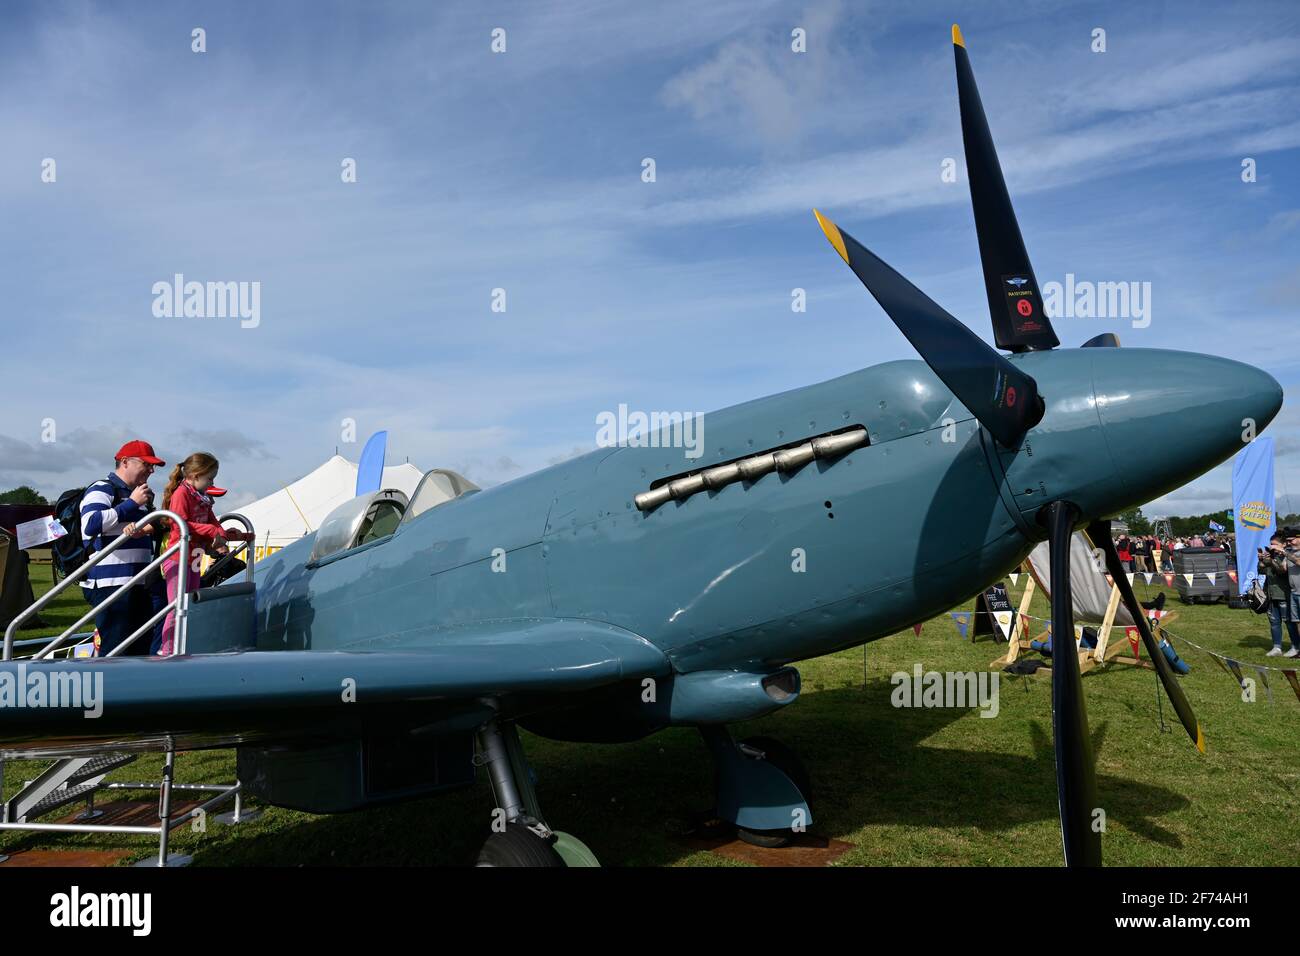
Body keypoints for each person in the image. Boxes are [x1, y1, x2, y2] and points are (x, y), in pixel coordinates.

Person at [158, 453, 255, 656]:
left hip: (193, 559)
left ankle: (184, 647)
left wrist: (228, 533)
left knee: (191, 606)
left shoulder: (203, 498)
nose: (212, 482)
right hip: (177, 559)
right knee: (176, 607)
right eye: (210, 478)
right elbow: (180, 522)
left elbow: (213, 523)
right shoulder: (181, 495)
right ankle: (167, 651)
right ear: (195, 475)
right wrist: (213, 532)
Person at [79, 440, 164, 656]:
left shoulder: (139, 494)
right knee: (115, 651)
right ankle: (108, 689)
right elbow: (91, 524)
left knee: (140, 649)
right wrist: (132, 504)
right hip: (111, 584)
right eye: (146, 464)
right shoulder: (102, 488)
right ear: (125, 462)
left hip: (138, 582)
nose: (151, 470)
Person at [1258, 534, 1299, 658]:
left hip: (1283, 594)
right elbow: (1261, 570)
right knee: (1274, 622)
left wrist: (1271, 561)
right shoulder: (1272, 555)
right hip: (1271, 594)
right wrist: (1261, 560)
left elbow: (1281, 572)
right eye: (1271, 543)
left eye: (1275, 544)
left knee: (1289, 623)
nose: (1272, 546)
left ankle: (1295, 646)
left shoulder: (1286, 556)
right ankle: (1277, 647)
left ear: (1283, 545)